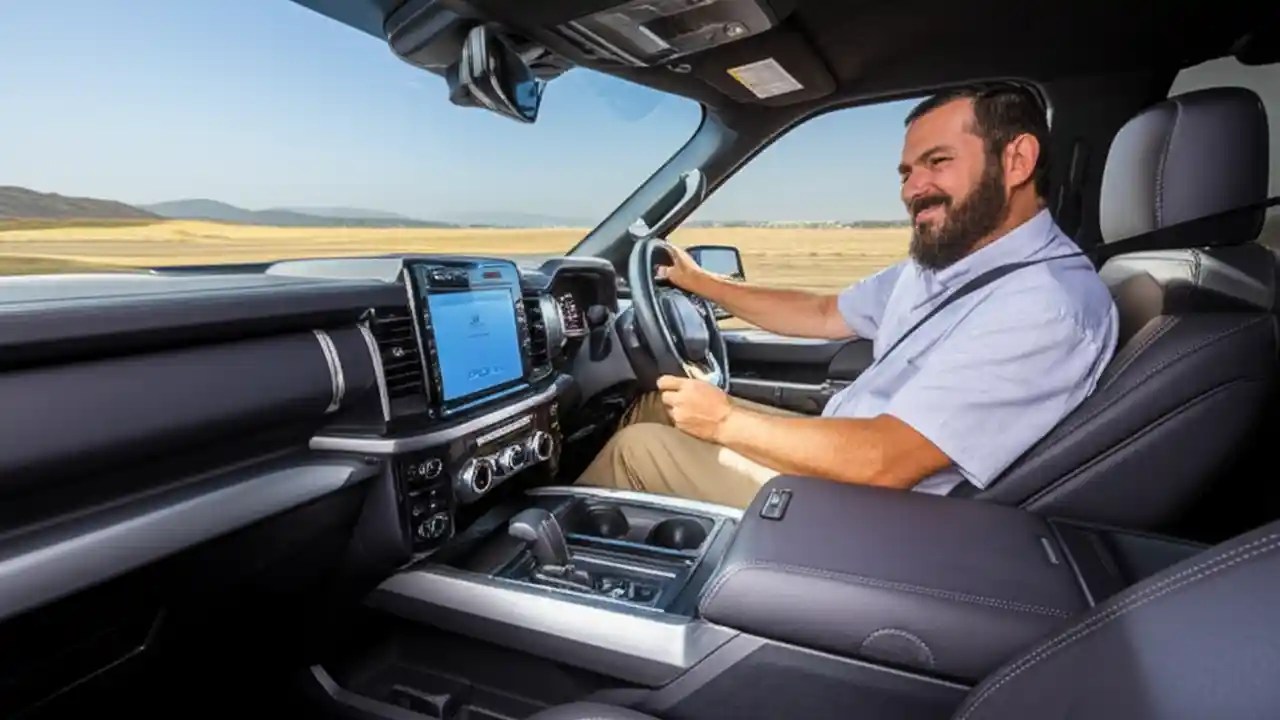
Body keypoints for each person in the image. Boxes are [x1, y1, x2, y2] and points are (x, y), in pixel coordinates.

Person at [576, 83, 1119, 508]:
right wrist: (703, 283)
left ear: (1018, 161)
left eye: (938, 162)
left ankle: (534, 591)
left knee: (635, 451)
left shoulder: (1045, 305)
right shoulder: (956, 265)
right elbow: (822, 312)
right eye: (907, 172)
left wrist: (723, 422)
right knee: (656, 406)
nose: (912, 189)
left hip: (865, 507)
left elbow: (886, 462)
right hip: (844, 454)